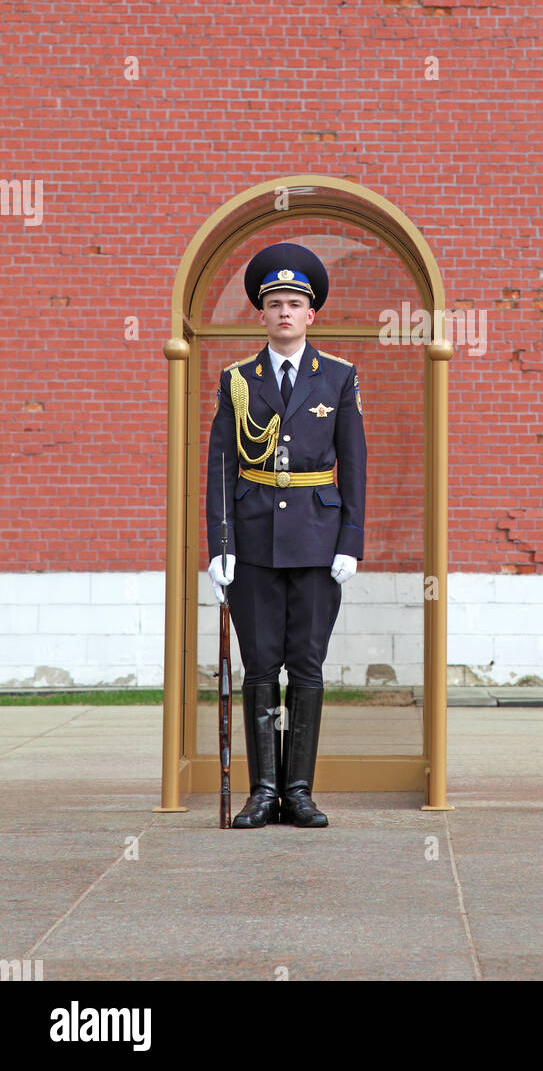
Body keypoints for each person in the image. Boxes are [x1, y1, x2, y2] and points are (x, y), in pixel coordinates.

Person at [205, 242, 366, 829]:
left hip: (319, 539)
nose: (284, 313)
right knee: (258, 666)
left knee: (306, 666)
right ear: (261, 313)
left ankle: (299, 791)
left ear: (312, 314)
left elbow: (354, 462)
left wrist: (351, 539)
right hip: (251, 541)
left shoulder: (340, 378)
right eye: (274, 303)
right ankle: (262, 791)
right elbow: (221, 464)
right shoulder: (237, 380)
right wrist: (220, 545)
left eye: (295, 303)